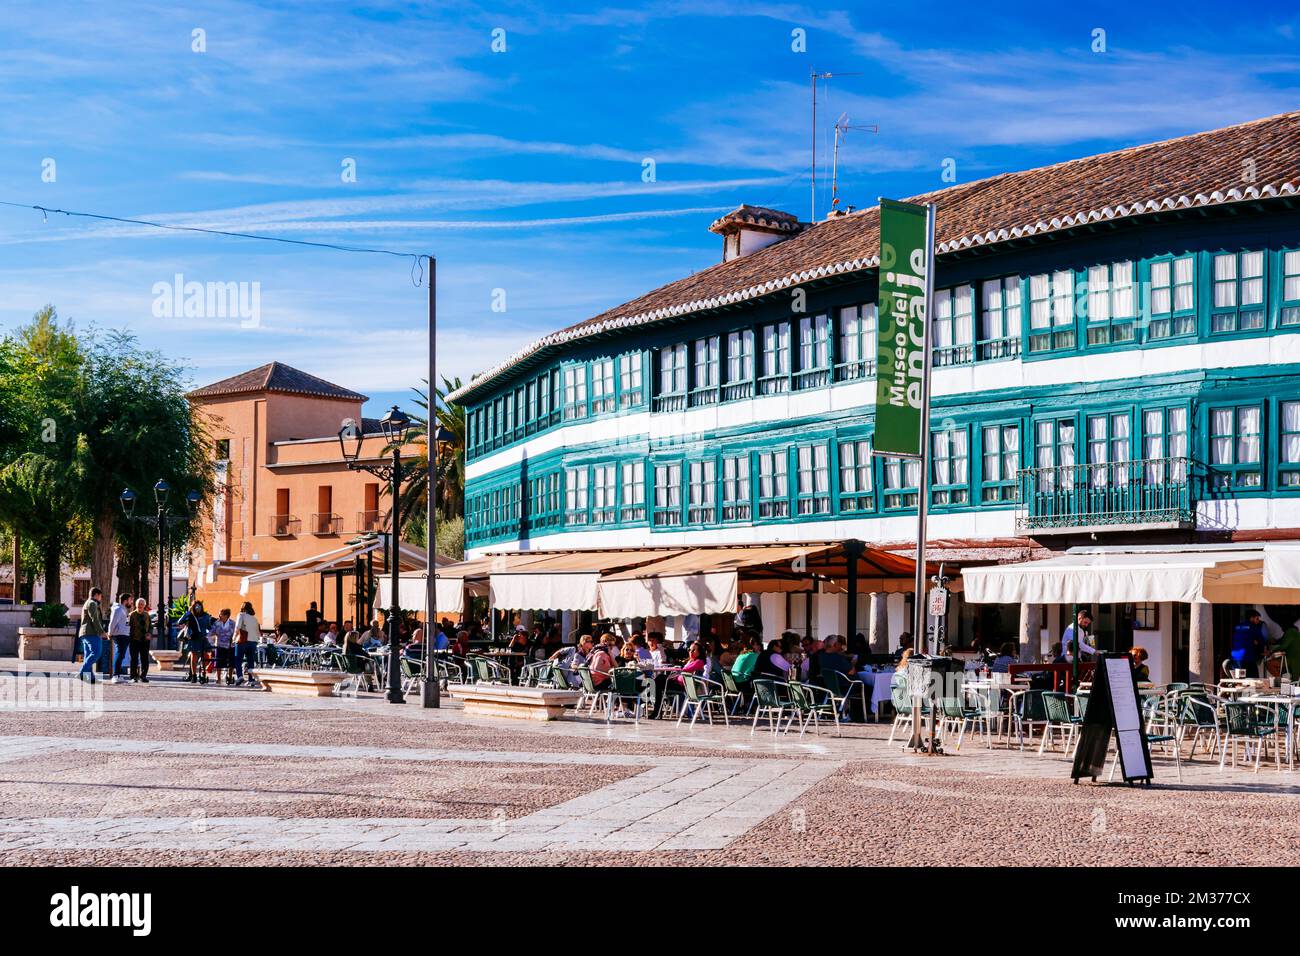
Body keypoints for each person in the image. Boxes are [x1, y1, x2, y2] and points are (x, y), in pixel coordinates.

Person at [77, 587, 106, 683]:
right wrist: (101, 632)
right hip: (91, 632)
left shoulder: (87, 603)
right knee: (96, 653)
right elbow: (95, 619)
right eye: (100, 596)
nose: (100, 598)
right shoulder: (92, 603)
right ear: (97, 595)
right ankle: (82, 672)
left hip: (85, 632)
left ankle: (89, 677)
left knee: (88, 654)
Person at [179, 600, 212, 684]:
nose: (198, 608)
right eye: (196, 606)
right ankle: (194, 675)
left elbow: (209, 627)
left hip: (203, 638)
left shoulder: (206, 616)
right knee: (194, 656)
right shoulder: (191, 615)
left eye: (199, 606)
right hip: (194, 638)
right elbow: (180, 622)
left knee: (205, 656)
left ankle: (203, 673)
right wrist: (187, 613)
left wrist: (210, 633)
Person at [1230, 610, 1267, 676]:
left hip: (1235, 658)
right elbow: (1261, 641)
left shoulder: (1238, 626)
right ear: (1251, 618)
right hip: (1248, 658)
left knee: (1240, 680)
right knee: (1254, 679)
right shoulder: (1253, 627)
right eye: (1257, 618)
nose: (1258, 621)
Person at [233, 601, 262, 686]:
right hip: (253, 642)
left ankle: (240, 676)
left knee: (238, 659)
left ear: (242, 608)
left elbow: (238, 627)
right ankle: (251, 679)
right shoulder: (255, 618)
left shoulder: (241, 615)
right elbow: (258, 632)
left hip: (242, 640)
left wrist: (234, 637)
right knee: (251, 661)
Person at [108, 592, 132, 684]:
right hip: (120, 635)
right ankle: (115, 676)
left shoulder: (123, 609)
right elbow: (113, 622)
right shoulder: (118, 609)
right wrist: (110, 633)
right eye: (130, 600)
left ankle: (117, 675)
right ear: (125, 601)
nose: (131, 602)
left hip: (124, 635)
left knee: (121, 655)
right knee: (119, 654)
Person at [128, 598, 152, 683]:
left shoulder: (147, 615)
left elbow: (150, 627)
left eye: (142, 604)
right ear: (136, 604)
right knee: (134, 659)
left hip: (145, 641)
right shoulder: (132, 615)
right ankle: (133, 676)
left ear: (144, 605)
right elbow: (128, 627)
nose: (140, 605)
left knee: (145, 659)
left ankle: (143, 676)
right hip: (134, 640)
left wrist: (149, 633)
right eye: (138, 604)